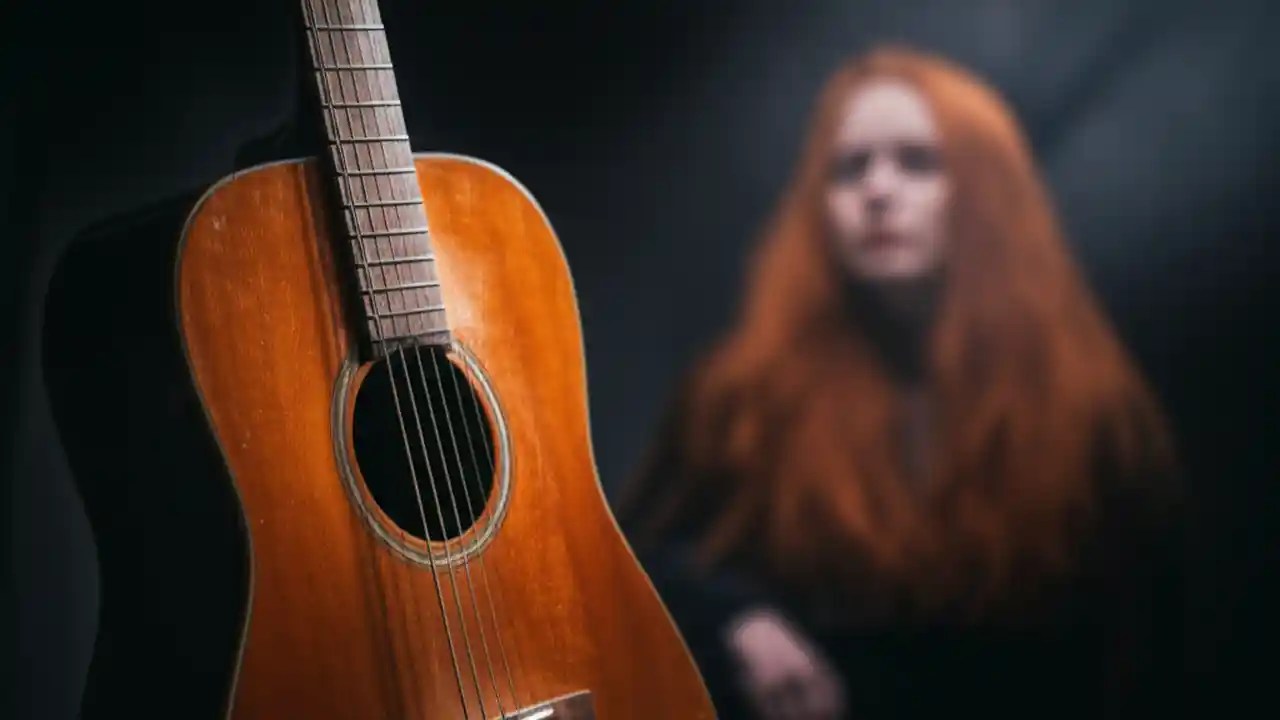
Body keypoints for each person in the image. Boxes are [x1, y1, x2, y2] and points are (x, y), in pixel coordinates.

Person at [616, 46, 1185, 720]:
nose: (877, 191)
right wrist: (739, 622)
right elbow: (639, 561)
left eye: (918, 163)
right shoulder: (738, 397)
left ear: (984, 193)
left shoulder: (1093, 414)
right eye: (849, 169)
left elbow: (1141, 655)